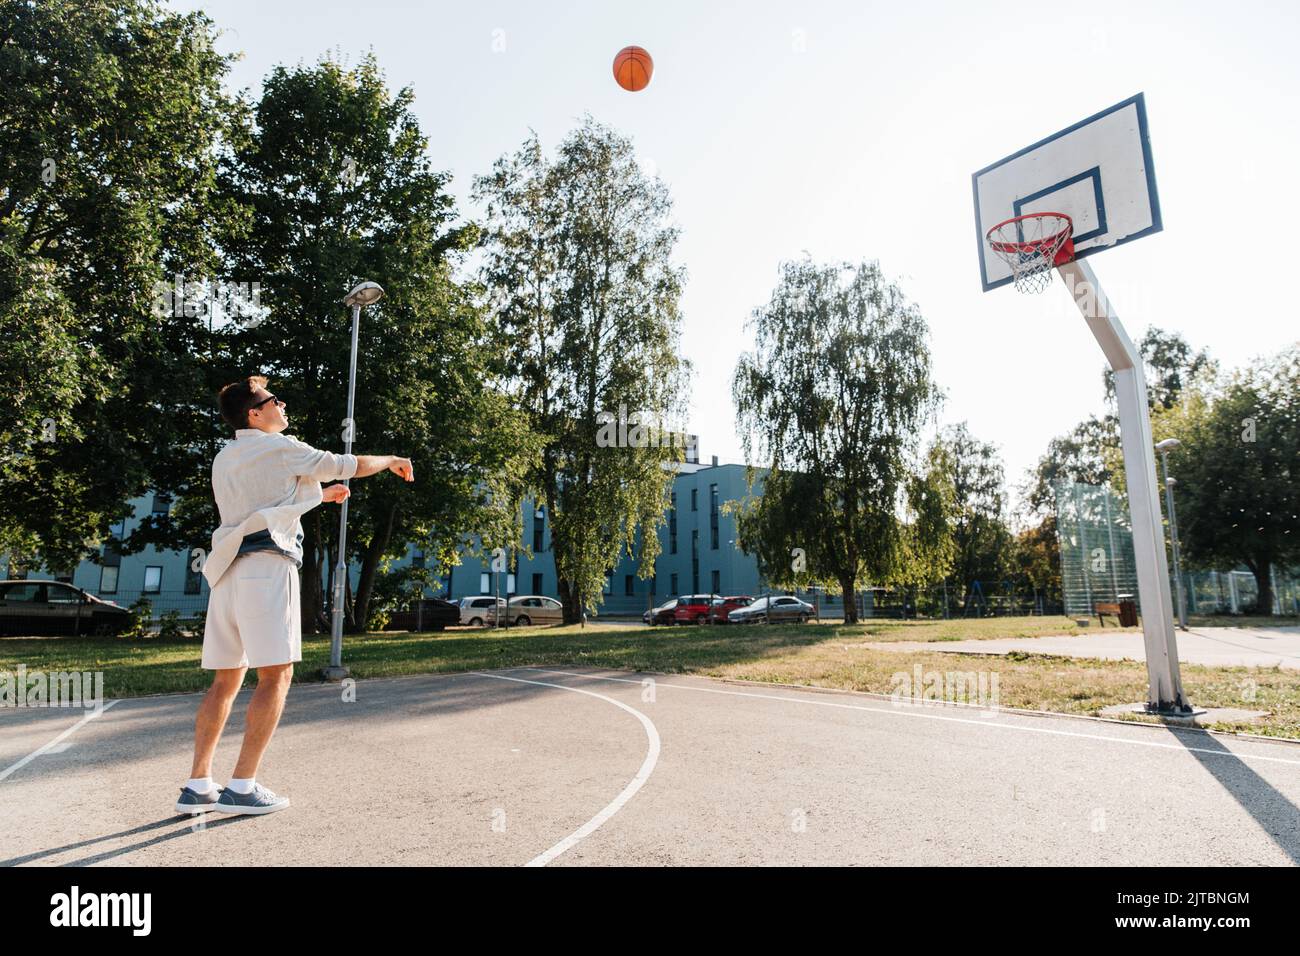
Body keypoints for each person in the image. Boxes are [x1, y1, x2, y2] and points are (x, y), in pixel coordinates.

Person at [175, 375, 413, 816]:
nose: (282, 404)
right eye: (273, 400)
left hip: (227, 572)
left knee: (226, 680)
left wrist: (316, 498)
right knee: (275, 676)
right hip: (267, 568)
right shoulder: (281, 447)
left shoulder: (225, 457)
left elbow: (261, 506)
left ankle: (197, 785)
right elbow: (351, 463)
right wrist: (392, 458)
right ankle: (242, 788)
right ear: (255, 413)